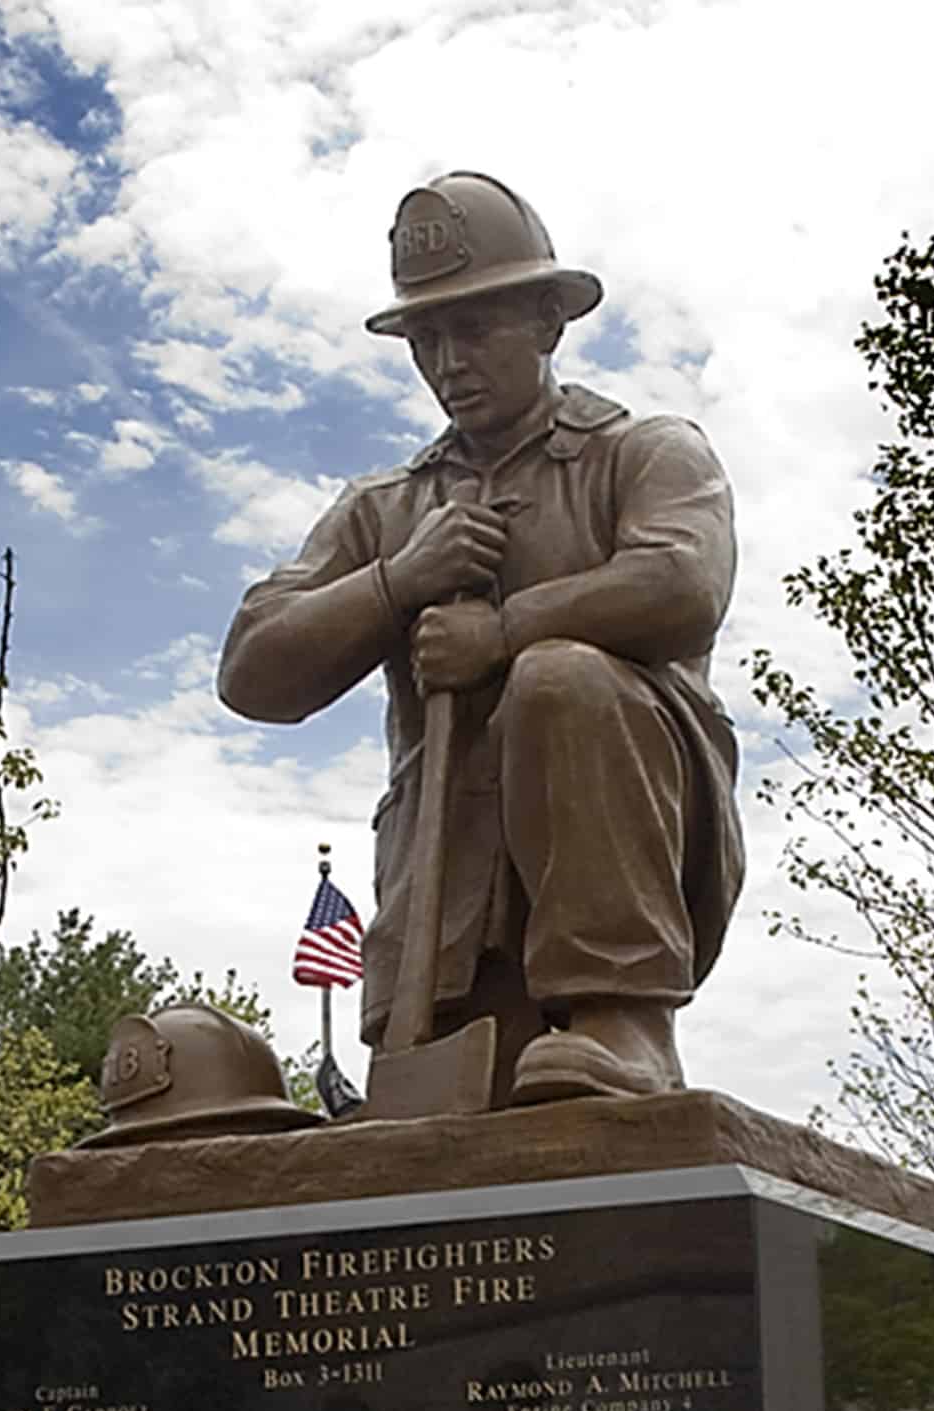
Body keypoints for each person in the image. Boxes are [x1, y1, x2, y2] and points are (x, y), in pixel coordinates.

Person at [217, 171, 743, 1106]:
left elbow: (683, 585)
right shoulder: (386, 509)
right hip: (445, 908)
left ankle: (620, 1018)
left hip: (630, 856)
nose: (447, 362)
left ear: (547, 322)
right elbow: (253, 671)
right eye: (425, 339)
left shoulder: (646, 453)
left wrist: (504, 630)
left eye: (473, 329)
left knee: (559, 677)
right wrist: (398, 580)